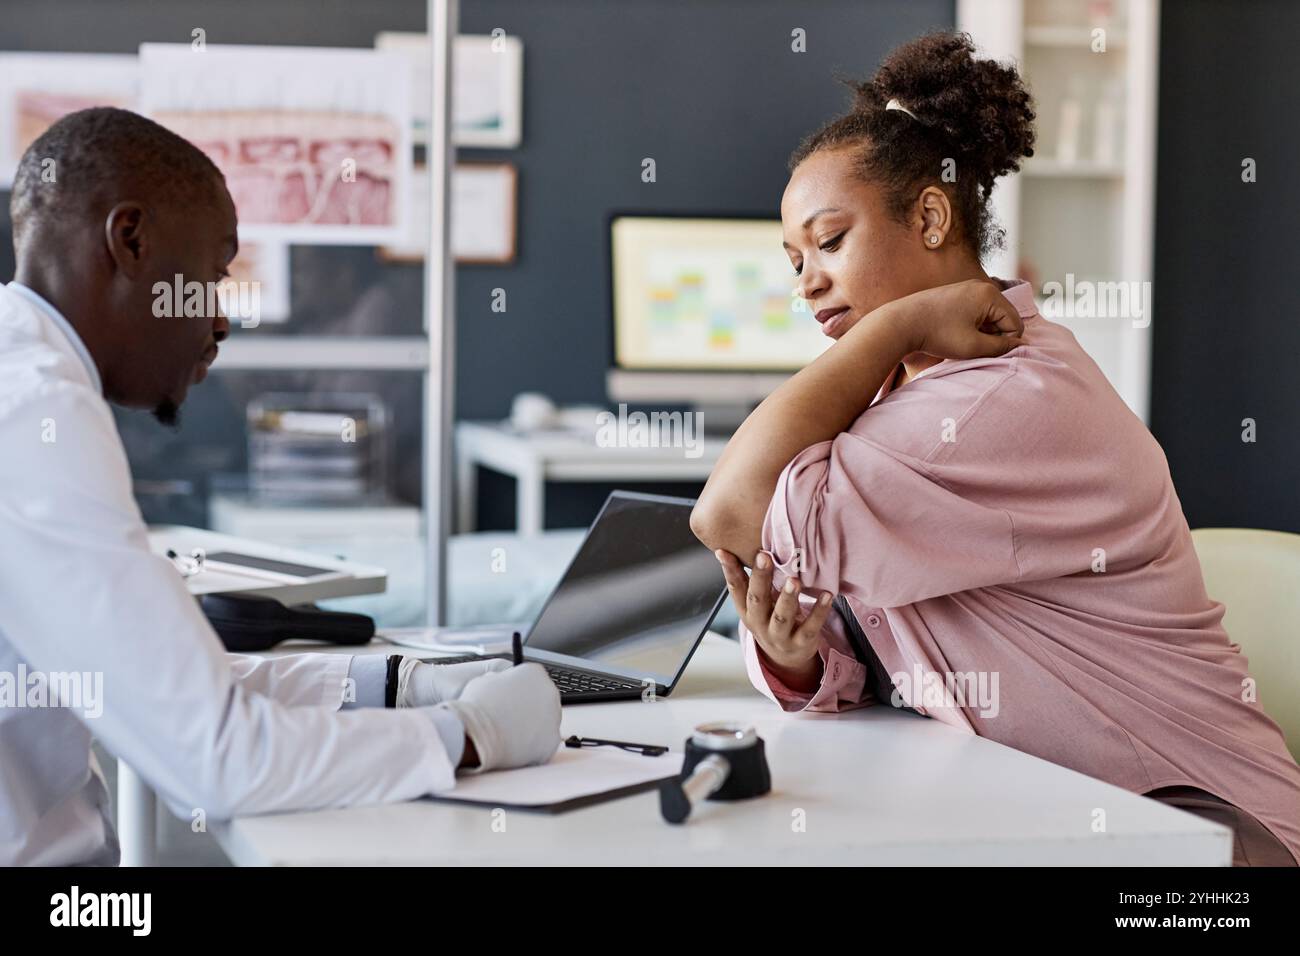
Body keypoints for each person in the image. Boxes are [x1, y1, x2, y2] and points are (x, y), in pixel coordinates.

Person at [691, 32, 1300, 866]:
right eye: (795, 261)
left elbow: (727, 510)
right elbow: (870, 638)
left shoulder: (1005, 398)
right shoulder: (897, 399)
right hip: (1039, 806)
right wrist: (801, 660)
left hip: (1201, 838)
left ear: (932, 215)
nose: (806, 283)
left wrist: (902, 320)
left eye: (830, 243)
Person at [0, 107, 561, 866]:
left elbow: (157, 680)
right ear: (130, 240)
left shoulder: (27, 378)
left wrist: (393, 683)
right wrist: (470, 736)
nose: (221, 319)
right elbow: (218, 758)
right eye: (213, 274)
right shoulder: (37, 408)